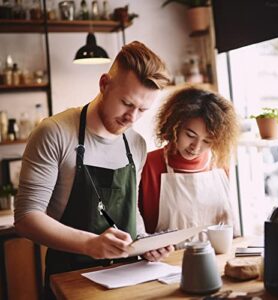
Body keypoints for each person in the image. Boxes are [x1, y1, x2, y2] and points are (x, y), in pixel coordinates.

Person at [14, 41, 173, 298]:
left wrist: (144, 243)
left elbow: (131, 210)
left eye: (142, 110)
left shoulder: (136, 144)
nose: (132, 117)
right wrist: (90, 244)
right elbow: (26, 218)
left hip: (129, 280)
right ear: (104, 84)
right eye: (126, 103)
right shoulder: (54, 133)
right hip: (69, 281)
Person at [139, 85, 240, 236]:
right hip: (169, 258)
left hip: (216, 255)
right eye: (190, 135)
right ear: (174, 126)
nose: (196, 147)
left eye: (207, 141)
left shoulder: (220, 163)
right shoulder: (149, 165)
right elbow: (141, 229)